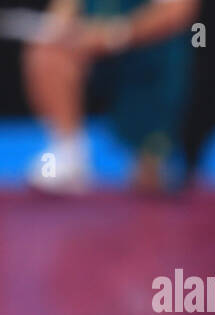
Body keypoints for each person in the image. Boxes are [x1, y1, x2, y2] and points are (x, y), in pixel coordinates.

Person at [21, 0, 199, 193]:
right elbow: (62, 13)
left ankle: (153, 154)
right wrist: (61, 31)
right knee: (47, 52)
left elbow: (178, 11)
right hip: (91, 55)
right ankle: (68, 152)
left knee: (150, 181)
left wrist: (113, 36)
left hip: (150, 62)